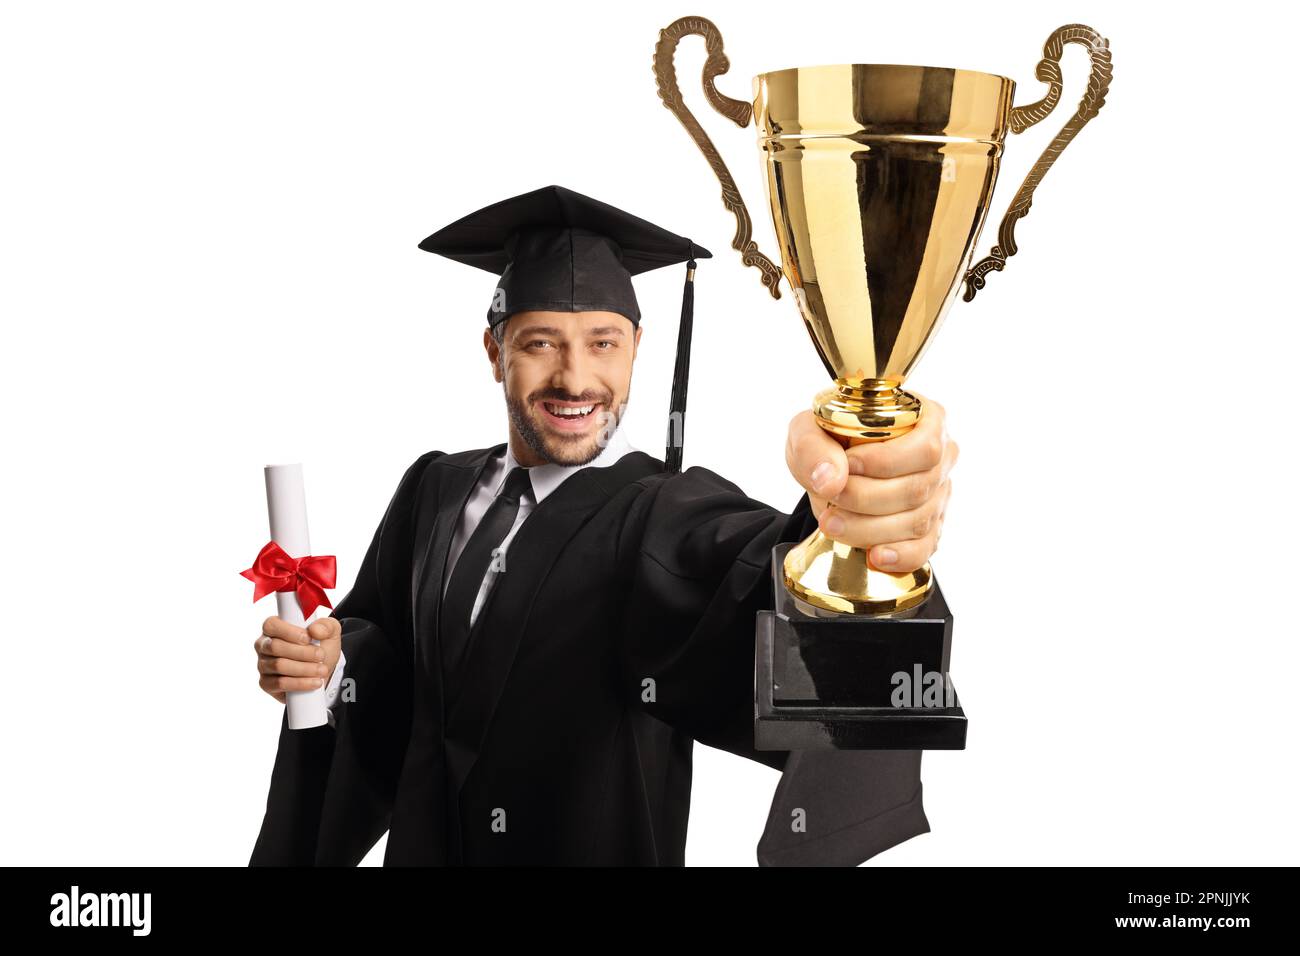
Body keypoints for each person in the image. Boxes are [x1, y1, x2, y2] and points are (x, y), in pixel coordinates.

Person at [248, 184, 958, 866]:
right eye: (540, 343)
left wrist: (854, 525)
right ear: (494, 351)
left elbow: (764, 577)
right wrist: (331, 667)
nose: (576, 380)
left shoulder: (657, 513)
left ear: (638, 348)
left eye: (603, 342)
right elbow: (393, 665)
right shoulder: (434, 487)